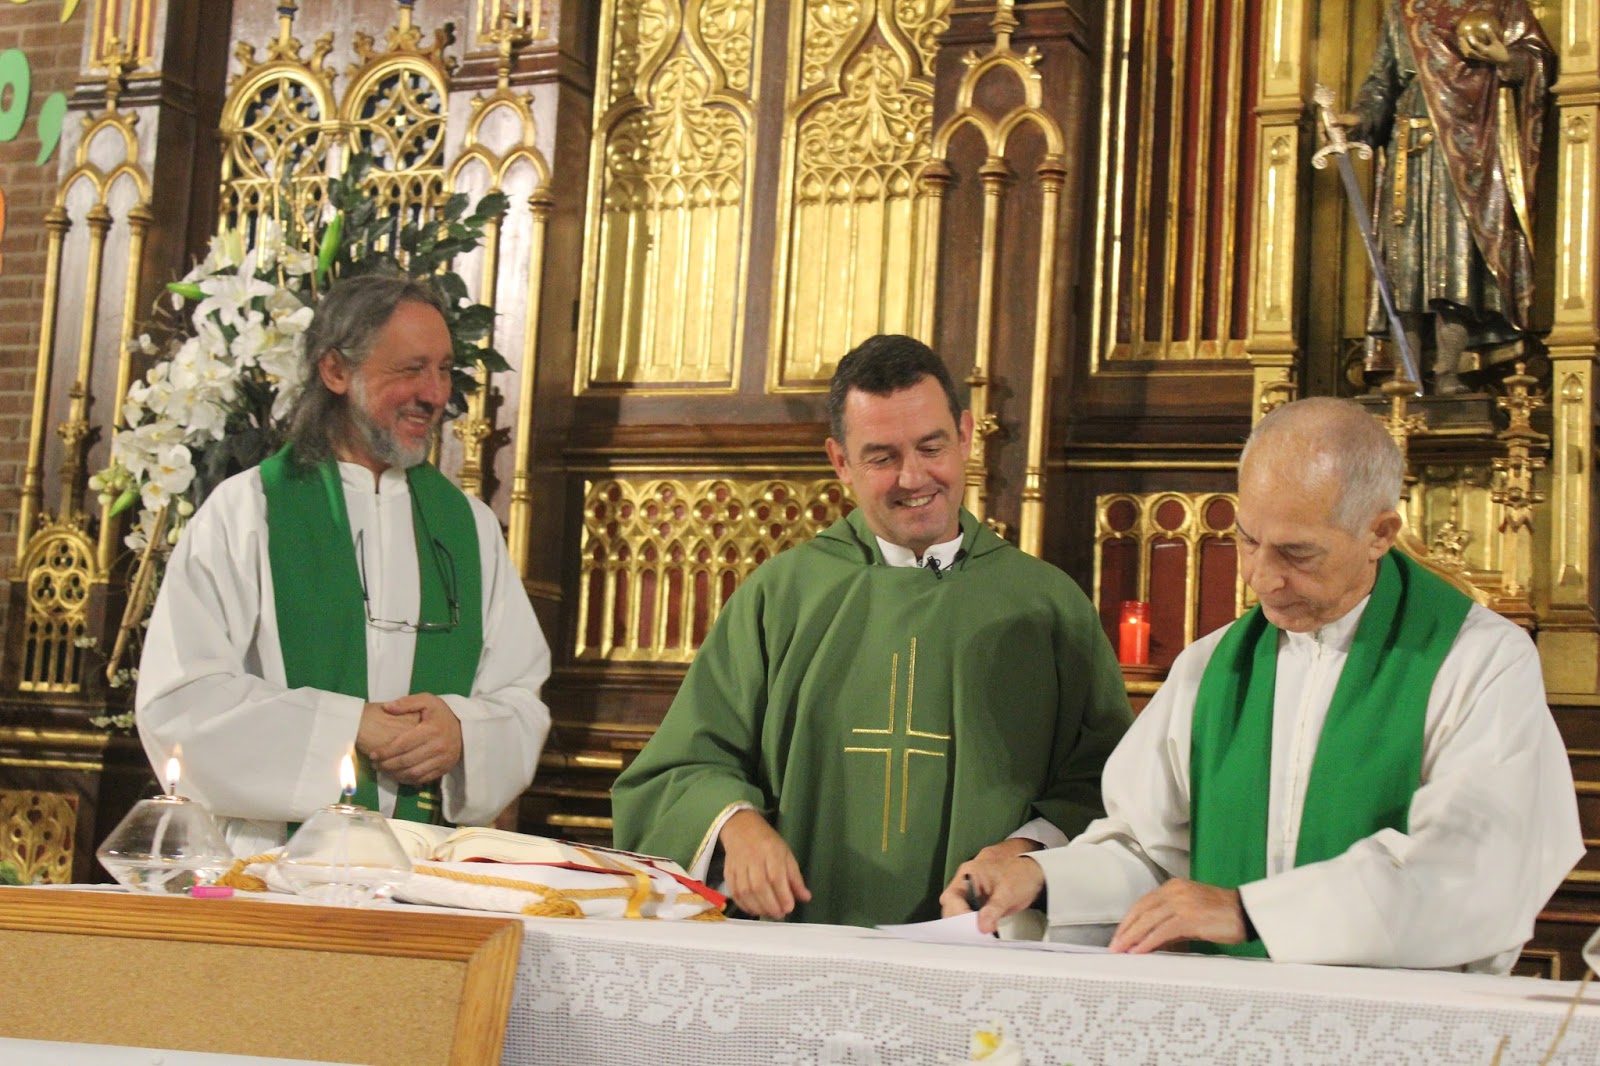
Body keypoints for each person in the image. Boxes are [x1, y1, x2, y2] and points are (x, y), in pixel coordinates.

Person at [946, 397, 1582, 973]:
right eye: (1248, 541)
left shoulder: (1477, 660)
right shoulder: (1211, 667)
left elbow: (1471, 872)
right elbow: (1153, 856)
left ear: (1379, 534)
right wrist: (1042, 879)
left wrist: (1252, 912)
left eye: (1297, 553)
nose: (1261, 577)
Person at [611, 334, 1132, 927]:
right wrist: (737, 825)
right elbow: (674, 771)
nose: (913, 478)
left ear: (965, 436)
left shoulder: (1046, 604)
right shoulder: (782, 596)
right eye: (882, 457)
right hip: (802, 947)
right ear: (841, 462)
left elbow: (1107, 786)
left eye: (932, 447)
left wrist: (1026, 848)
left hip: (984, 944)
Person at [136, 273, 552, 855]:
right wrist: (347, 725)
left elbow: (519, 697)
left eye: (443, 370)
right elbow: (179, 704)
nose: (435, 394)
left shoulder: (470, 529)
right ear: (335, 371)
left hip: (426, 871)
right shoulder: (249, 512)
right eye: (410, 369)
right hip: (272, 873)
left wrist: (463, 732)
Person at [1339, 1, 1554, 394]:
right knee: (1405, 266)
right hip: (1411, 151)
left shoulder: (1501, 5)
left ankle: (1449, 370)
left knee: (1454, 265)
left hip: (1471, 153)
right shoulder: (1402, 10)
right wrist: (1357, 119)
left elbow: (1536, 60)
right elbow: (1382, 83)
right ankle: (1407, 372)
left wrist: (1505, 58)